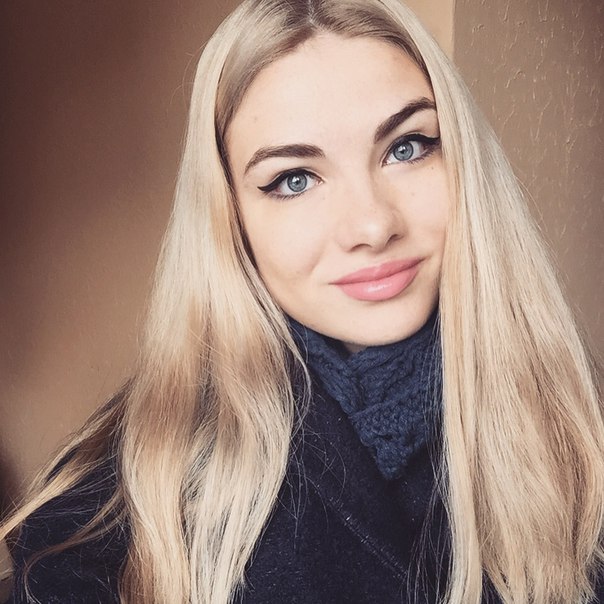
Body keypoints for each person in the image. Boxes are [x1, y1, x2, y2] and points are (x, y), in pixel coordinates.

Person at [2, 0, 603, 602]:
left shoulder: (577, 438)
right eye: (295, 179)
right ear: (231, 220)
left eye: (407, 147)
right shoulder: (113, 515)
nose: (372, 226)